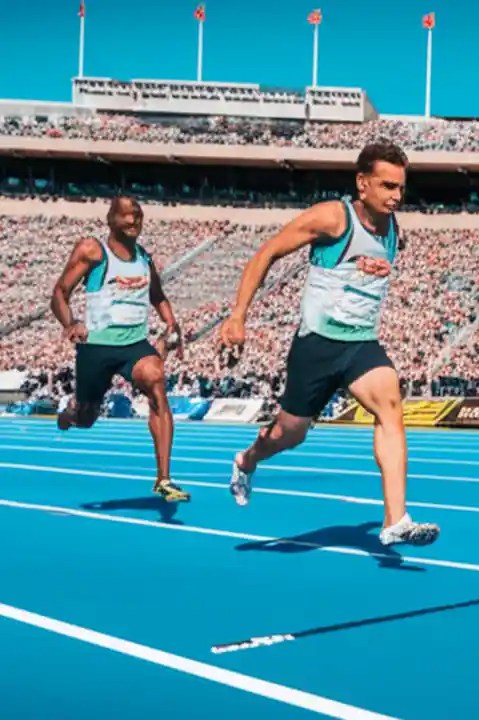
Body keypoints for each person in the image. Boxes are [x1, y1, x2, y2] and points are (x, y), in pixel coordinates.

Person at [217, 141, 439, 547]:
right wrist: (238, 315)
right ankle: (247, 459)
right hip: (317, 346)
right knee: (289, 434)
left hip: (360, 345)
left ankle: (396, 519)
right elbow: (267, 252)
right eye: (387, 186)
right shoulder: (333, 218)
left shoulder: (393, 227)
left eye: (401, 188)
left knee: (390, 401)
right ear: (362, 182)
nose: (396, 196)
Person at [51, 196, 189, 502]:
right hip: (96, 347)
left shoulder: (144, 257)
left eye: (137, 215)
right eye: (126, 216)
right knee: (87, 419)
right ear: (110, 219)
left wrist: (171, 322)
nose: (133, 221)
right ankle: (69, 412)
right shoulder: (92, 250)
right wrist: (70, 322)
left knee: (156, 379)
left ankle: (163, 479)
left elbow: (157, 294)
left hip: (134, 344)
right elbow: (60, 292)